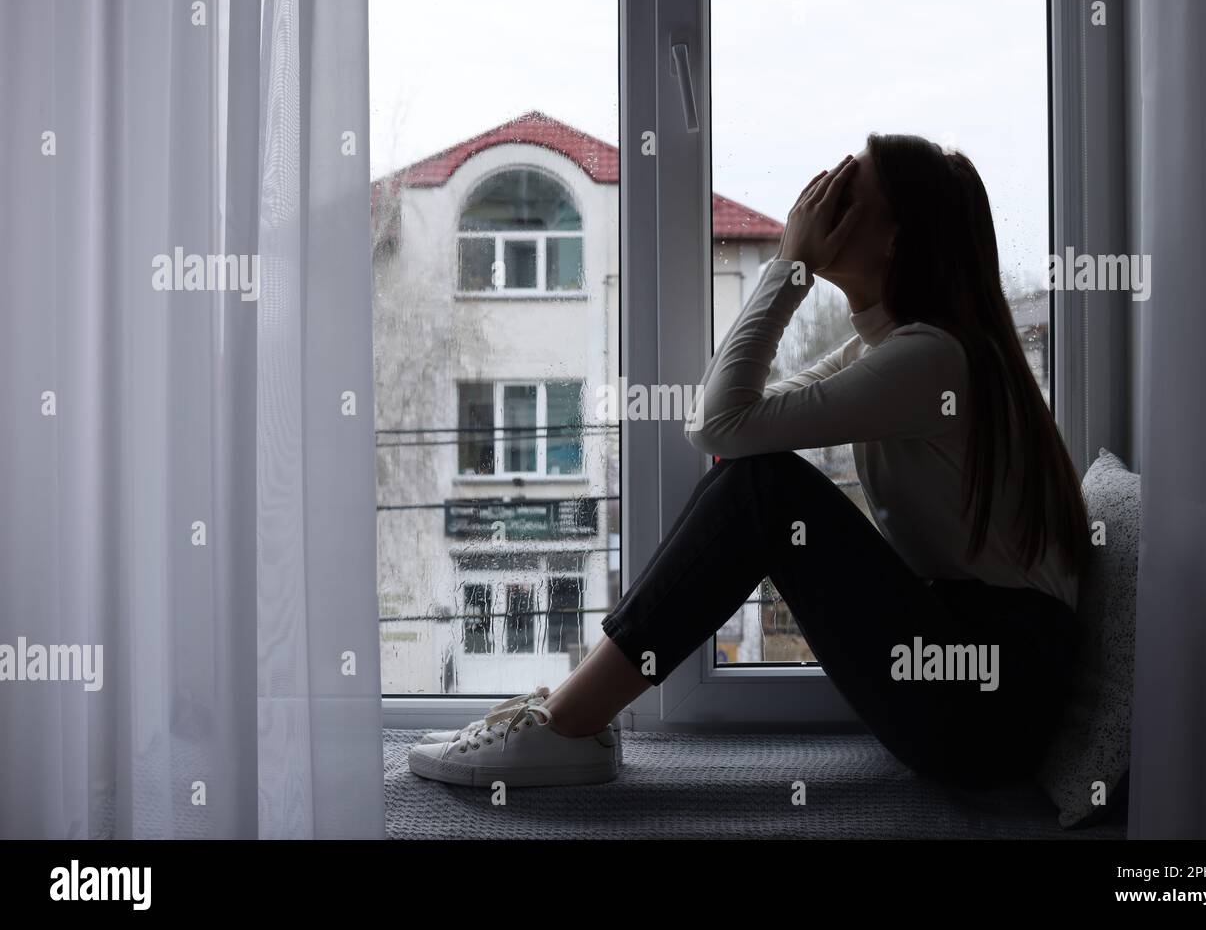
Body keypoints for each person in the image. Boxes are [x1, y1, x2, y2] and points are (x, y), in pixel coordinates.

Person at [408, 135, 1089, 790]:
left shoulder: (933, 358)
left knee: (768, 489)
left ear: (894, 240)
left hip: (989, 708)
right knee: (755, 477)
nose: (814, 206)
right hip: (971, 680)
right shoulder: (899, 350)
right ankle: (570, 713)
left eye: (845, 194)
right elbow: (729, 434)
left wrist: (790, 266)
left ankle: (565, 723)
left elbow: (720, 423)